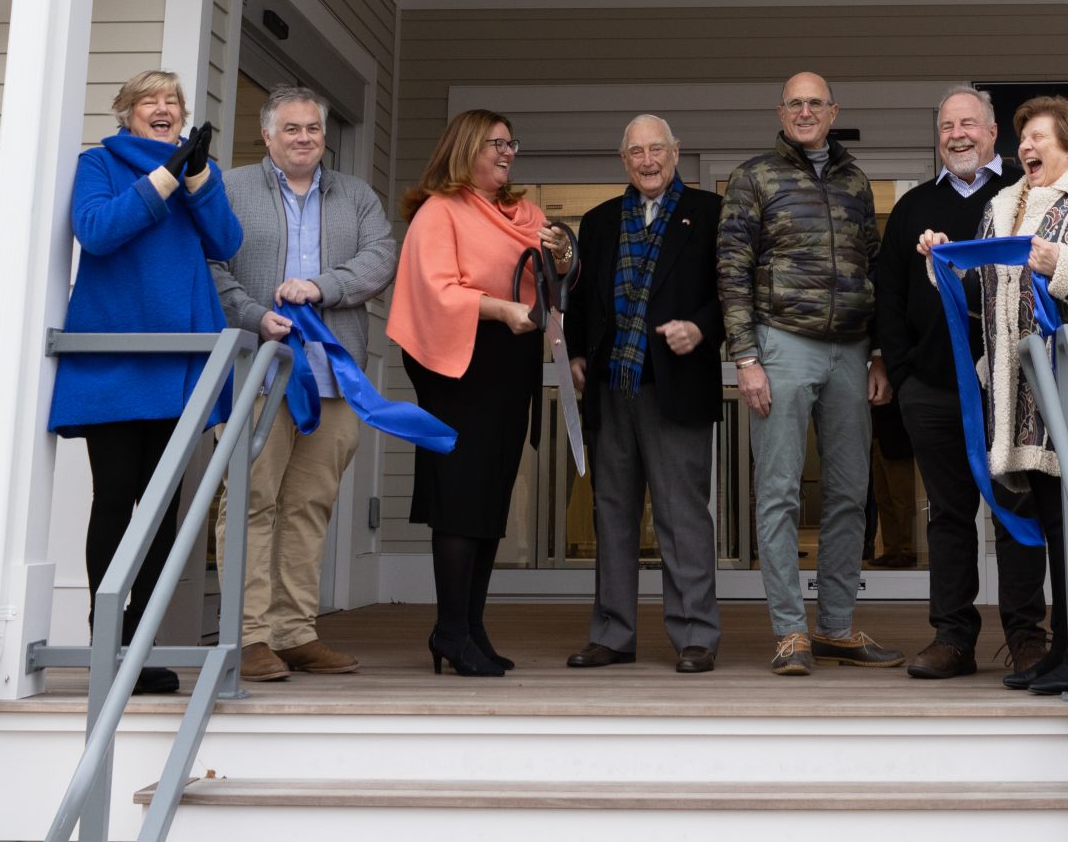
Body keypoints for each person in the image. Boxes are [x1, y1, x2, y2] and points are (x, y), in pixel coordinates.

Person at [923, 95, 1068, 698]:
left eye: (1038, 137)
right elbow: (988, 299)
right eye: (1022, 139)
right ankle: (1066, 651)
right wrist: (947, 264)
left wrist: (1062, 264)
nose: (1025, 147)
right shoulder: (1000, 207)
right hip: (1020, 394)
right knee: (1054, 524)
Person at [48, 69, 242, 695]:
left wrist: (198, 178)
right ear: (126, 113)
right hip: (115, 355)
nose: (164, 108)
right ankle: (103, 639)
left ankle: (137, 642)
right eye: (150, 100)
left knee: (163, 509)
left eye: (173, 101)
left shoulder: (196, 171)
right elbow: (97, 232)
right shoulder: (99, 163)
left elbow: (227, 242)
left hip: (179, 358)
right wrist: (164, 177)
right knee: (114, 498)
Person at [718, 71, 905, 677]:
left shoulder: (855, 181)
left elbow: (873, 269)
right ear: (781, 112)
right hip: (781, 342)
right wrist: (746, 358)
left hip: (850, 349)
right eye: (794, 103)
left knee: (850, 491)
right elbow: (731, 270)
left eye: (815, 103)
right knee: (778, 492)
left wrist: (879, 353)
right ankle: (790, 632)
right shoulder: (753, 177)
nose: (805, 112)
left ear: (833, 111)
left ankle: (836, 627)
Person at [207, 85, 397, 682]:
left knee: (310, 503)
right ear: (267, 135)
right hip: (258, 372)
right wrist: (252, 315)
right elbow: (208, 266)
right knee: (251, 499)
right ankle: (246, 636)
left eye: (313, 128)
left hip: (332, 375)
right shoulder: (230, 190)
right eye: (291, 128)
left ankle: (294, 633)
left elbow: (380, 258)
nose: (305, 138)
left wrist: (322, 286)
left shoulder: (356, 196)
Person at [386, 109, 575, 678]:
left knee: (491, 496)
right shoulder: (439, 212)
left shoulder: (527, 214)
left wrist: (563, 258)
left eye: (511, 143)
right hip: (458, 362)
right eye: (495, 143)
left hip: (510, 361)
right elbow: (436, 291)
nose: (507, 152)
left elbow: (554, 283)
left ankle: (470, 626)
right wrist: (500, 309)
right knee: (461, 496)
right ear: (465, 148)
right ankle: (449, 628)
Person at [873, 85, 1048, 682]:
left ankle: (1027, 637)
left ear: (993, 133)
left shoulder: (1024, 194)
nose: (958, 135)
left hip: (1012, 386)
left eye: (969, 124)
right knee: (948, 515)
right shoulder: (914, 206)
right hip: (932, 389)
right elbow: (889, 295)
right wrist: (903, 373)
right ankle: (952, 638)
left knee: (1016, 510)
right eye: (948, 126)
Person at [561, 115, 723, 673]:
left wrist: (701, 328)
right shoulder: (599, 220)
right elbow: (582, 297)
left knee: (683, 516)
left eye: (657, 149)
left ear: (676, 151)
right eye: (636, 152)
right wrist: (576, 352)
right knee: (612, 512)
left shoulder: (710, 213)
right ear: (623, 159)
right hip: (611, 385)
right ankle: (612, 634)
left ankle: (695, 634)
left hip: (676, 384)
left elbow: (734, 290)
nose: (648, 161)